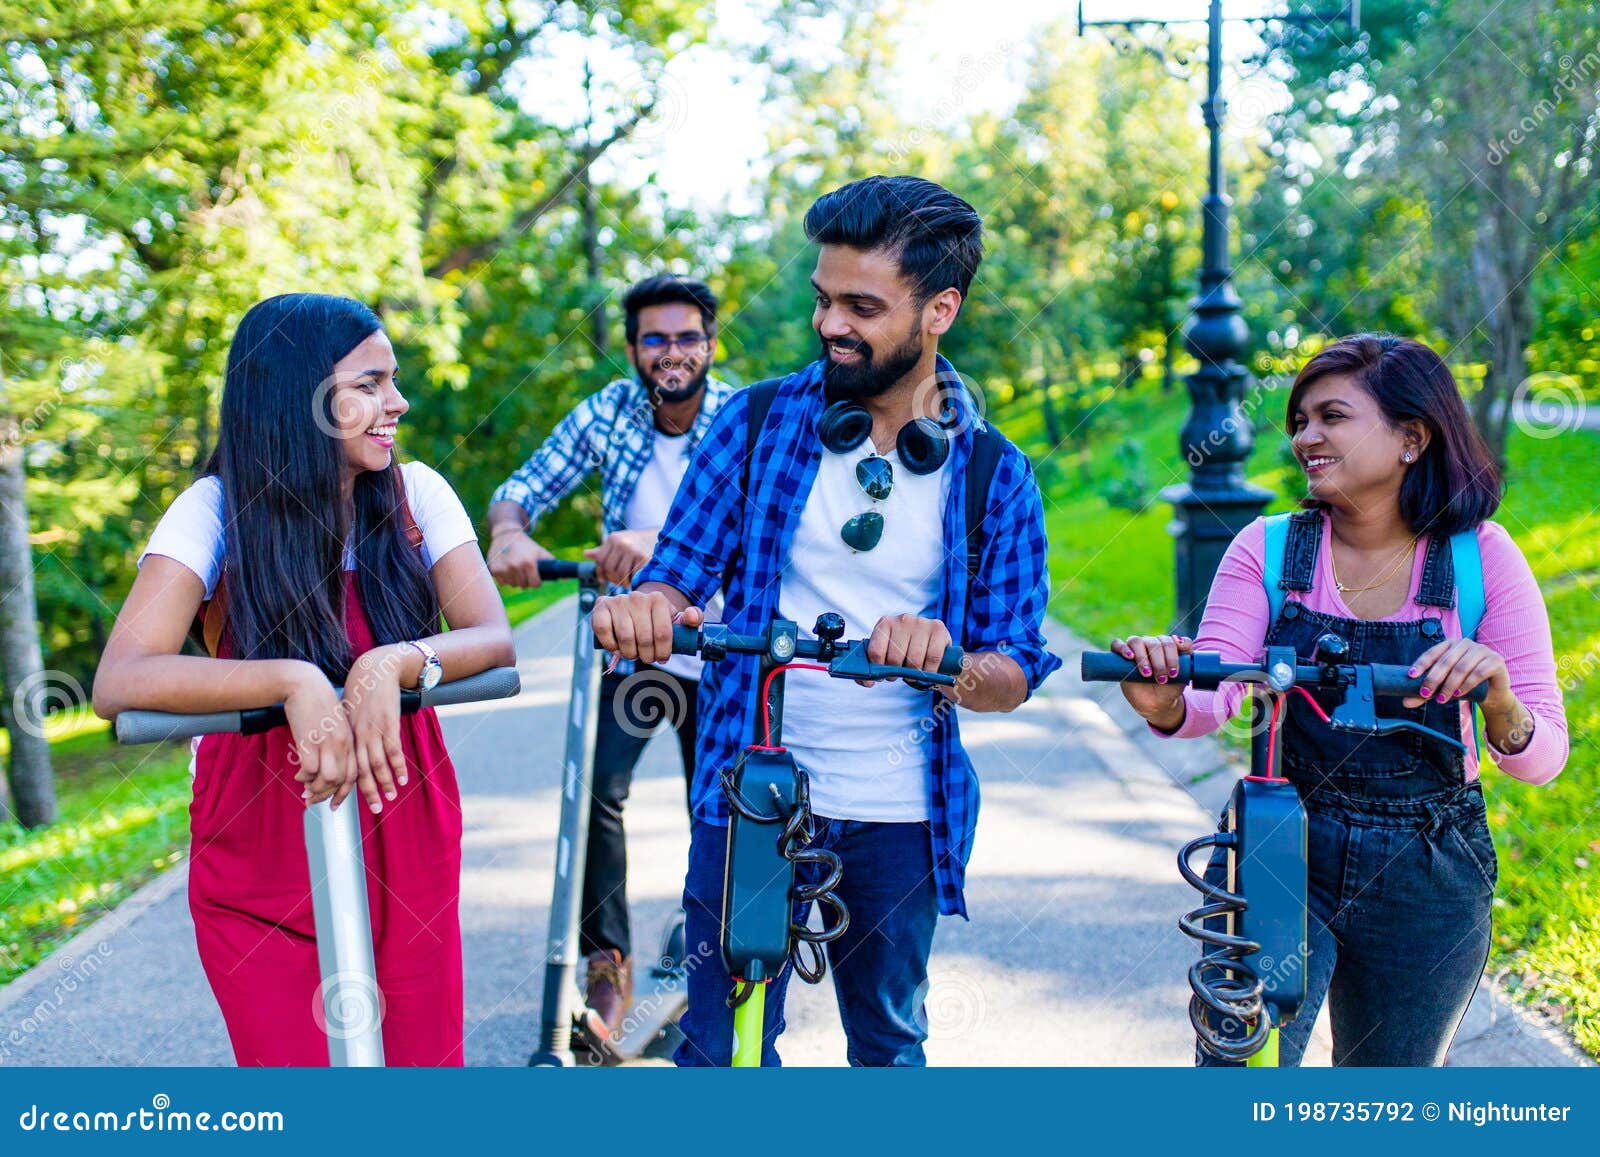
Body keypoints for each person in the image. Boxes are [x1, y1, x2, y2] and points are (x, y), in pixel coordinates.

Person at [592, 175, 1061, 1066]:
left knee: (888, 1049)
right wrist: (647, 610)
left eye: (861, 305)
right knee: (719, 1052)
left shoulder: (996, 475)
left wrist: (948, 660)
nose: (830, 324)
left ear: (939, 310)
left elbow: (1012, 672)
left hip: (898, 814)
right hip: (751, 795)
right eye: (822, 298)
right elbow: (676, 574)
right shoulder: (755, 419)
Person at [1112, 334, 1569, 1067]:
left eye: (1331, 416)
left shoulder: (1480, 558)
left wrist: (1499, 699)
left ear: (1412, 437)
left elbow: (1541, 757)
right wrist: (1161, 698)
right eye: (1299, 420)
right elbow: (1212, 692)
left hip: (1431, 866)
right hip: (1284, 842)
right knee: (1240, 1070)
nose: (1305, 437)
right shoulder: (1267, 551)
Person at [92, 293, 515, 1066]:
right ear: (301, 399)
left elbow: (491, 637)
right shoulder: (215, 510)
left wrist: (395, 658)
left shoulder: (417, 495)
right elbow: (121, 677)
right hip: (260, 837)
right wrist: (293, 679)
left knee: (420, 1087)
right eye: (371, 384)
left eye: (392, 381)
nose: (398, 402)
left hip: (403, 817)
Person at [486, 274, 735, 1042]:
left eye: (687, 336)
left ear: (709, 346)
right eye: (655, 338)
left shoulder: (741, 418)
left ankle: (708, 960)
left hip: (724, 647)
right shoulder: (608, 412)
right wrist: (509, 532)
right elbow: (522, 485)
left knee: (722, 805)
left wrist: (659, 546)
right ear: (633, 350)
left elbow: (764, 533)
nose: (672, 352)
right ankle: (608, 965)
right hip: (636, 644)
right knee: (598, 788)